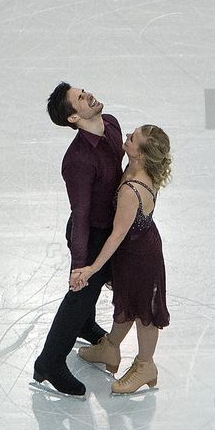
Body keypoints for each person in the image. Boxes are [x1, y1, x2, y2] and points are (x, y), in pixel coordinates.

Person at [32, 82, 124, 398]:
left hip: (109, 227)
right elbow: (81, 214)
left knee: (93, 289)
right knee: (81, 293)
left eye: (83, 90)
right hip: (89, 233)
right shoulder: (77, 161)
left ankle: (86, 325)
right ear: (73, 118)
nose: (88, 95)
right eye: (80, 98)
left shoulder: (111, 124)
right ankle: (49, 363)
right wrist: (79, 267)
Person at [71, 124, 172, 394]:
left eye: (132, 138)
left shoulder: (132, 189)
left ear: (140, 154)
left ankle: (146, 365)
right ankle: (111, 349)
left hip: (141, 258)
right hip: (135, 251)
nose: (126, 137)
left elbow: (116, 237)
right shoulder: (136, 165)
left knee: (145, 313)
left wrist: (91, 268)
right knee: (128, 304)